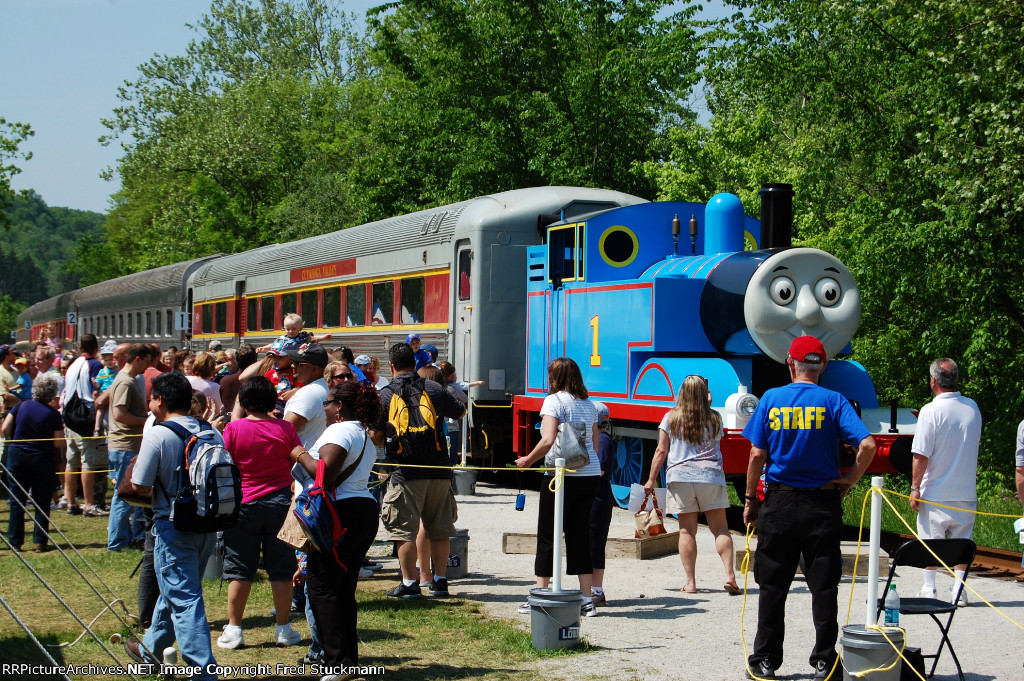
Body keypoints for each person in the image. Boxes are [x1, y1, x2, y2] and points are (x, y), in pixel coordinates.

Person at [741, 336, 876, 680]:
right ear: (824, 366)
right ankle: (824, 663)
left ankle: (766, 661)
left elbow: (757, 454)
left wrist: (750, 500)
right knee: (824, 586)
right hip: (822, 503)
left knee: (773, 586)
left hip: (780, 503)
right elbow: (868, 444)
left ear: (790, 363)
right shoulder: (835, 401)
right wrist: (849, 479)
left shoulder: (772, 398)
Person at [123, 371, 221, 679]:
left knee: (185, 598)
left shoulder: (159, 433)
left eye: (151, 397)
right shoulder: (210, 432)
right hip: (207, 523)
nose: (149, 403)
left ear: (160, 400)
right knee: (176, 589)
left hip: (172, 525)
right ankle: (150, 649)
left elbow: (139, 486)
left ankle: (203, 671)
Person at [291, 379, 381, 675]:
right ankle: (347, 659)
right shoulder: (362, 433)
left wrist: (299, 453)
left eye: (327, 403)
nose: (325, 409)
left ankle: (337, 661)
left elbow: (324, 474)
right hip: (361, 510)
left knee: (322, 588)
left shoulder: (340, 430)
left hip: (340, 513)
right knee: (342, 589)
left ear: (340, 406)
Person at [372, 343, 464, 599]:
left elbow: (377, 435)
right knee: (440, 528)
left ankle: (410, 582)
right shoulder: (434, 388)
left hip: (405, 472)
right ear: (414, 363)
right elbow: (460, 411)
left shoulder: (386, 394)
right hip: (438, 470)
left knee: (404, 531)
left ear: (391, 366)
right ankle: (441, 581)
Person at [217, 376, 303, 650]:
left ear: (245, 401)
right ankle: (283, 628)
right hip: (279, 502)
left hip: (243, 503)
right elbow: (297, 458)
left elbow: (225, 462)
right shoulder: (286, 428)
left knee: (239, 568)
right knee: (282, 568)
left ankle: (234, 629)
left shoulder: (233, 429)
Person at [515, 357, 602, 617]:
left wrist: (528, 460)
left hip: (560, 474)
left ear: (555, 377)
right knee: (579, 534)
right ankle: (587, 598)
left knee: (548, 534)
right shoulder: (590, 404)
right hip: (589, 473)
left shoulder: (553, 401)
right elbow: (595, 444)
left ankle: (540, 593)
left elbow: (548, 438)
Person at [644, 375, 738, 594]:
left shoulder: (670, 418)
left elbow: (661, 451)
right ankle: (730, 576)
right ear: (705, 394)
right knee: (721, 529)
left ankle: (691, 582)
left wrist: (650, 480)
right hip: (711, 477)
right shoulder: (715, 418)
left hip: (681, 478)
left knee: (687, 531)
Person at [908, 358, 982, 605]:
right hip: (965, 490)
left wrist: (915, 487)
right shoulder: (972, 408)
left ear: (933, 381)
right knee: (963, 542)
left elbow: (921, 454)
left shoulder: (931, 410)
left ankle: (930, 588)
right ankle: (959, 591)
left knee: (930, 540)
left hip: (936, 491)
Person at [3, 374, 63, 552]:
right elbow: (58, 442)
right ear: (52, 393)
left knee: (16, 499)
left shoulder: (21, 405)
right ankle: (40, 542)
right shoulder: (53, 414)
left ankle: (15, 542)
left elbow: (5, 428)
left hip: (17, 455)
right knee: (42, 500)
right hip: (41, 458)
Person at [107, 344, 150, 552]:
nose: (148, 366)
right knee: (123, 495)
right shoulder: (125, 381)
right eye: (147, 361)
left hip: (126, 444)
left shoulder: (128, 380)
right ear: (138, 359)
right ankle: (117, 542)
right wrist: (146, 421)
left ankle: (124, 538)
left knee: (125, 496)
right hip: (124, 444)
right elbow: (120, 415)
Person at [60, 334, 105, 517]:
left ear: (80, 348)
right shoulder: (94, 365)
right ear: (96, 348)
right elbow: (96, 390)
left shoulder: (72, 365)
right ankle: (89, 503)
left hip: (69, 416)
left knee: (71, 461)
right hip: (84, 416)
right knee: (88, 462)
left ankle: (70, 501)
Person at [589, 401, 616, 605]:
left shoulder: (603, 440)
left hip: (597, 498)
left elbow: (600, 470)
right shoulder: (598, 438)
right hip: (593, 496)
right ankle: (591, 587)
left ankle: (596, 589)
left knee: (595, 543)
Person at [282, 344, 330, 449]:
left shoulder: (308, 394)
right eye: (293, 361)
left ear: (314, 370)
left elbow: (284, 431)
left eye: (298, 363)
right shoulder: (323, 388)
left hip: (302, 462)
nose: (293, 366)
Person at [254, 313, 332, 354]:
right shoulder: (283, 339)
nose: (290, 331)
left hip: (300, 357)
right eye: (288, 329)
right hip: (286, 358)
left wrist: (324, 337)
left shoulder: (303, 337)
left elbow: (314, 338)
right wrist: (264, 348)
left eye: (294, 329)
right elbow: (274, 345)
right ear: (284, 328)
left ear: (300, 328)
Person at [219, 344, 255, 416]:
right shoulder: (256, 382)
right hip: (249, 423)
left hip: (227, 421)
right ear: (255, 361)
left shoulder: (224, 380)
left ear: (237, 360)